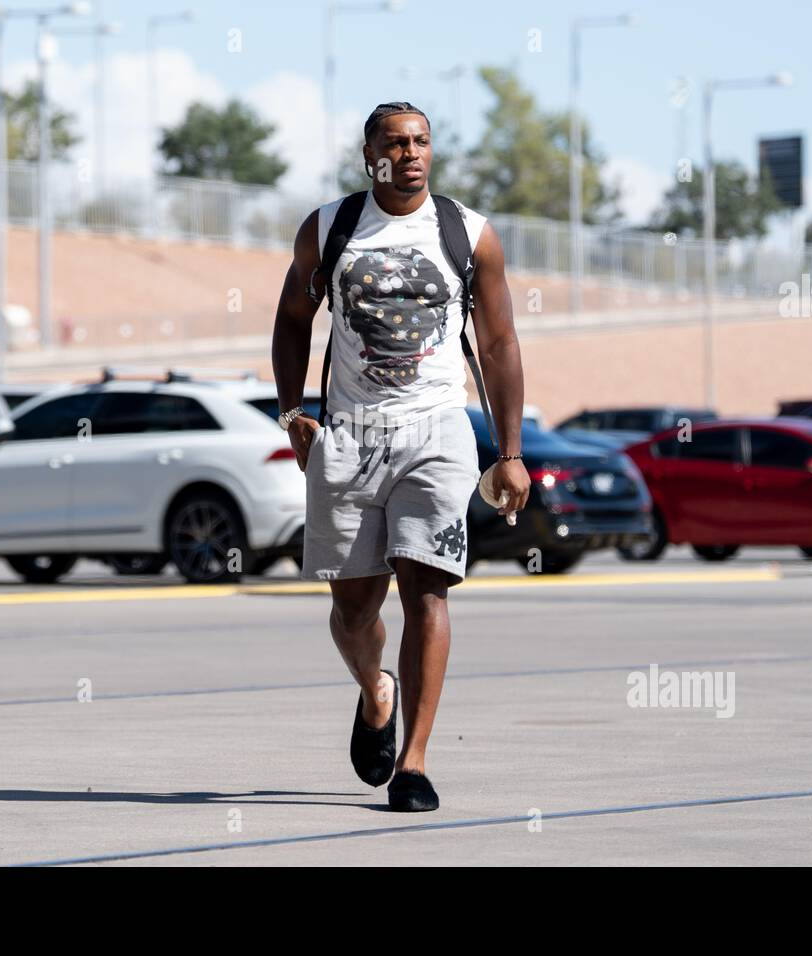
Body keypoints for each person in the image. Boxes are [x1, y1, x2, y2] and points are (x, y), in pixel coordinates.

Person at [270, 102, 529, 811]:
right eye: (395, 142)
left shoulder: (468, 234)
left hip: (438, 434)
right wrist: (293, 409)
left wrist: (509, 450)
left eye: (420, 141)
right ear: (369, 155)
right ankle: (375, 690)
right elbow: (293, 318)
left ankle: (413, 762)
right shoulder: (329, 228)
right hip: (349, 436)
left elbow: (501, 343)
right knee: (354, 609)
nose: (410, 153)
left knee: (428, 591)